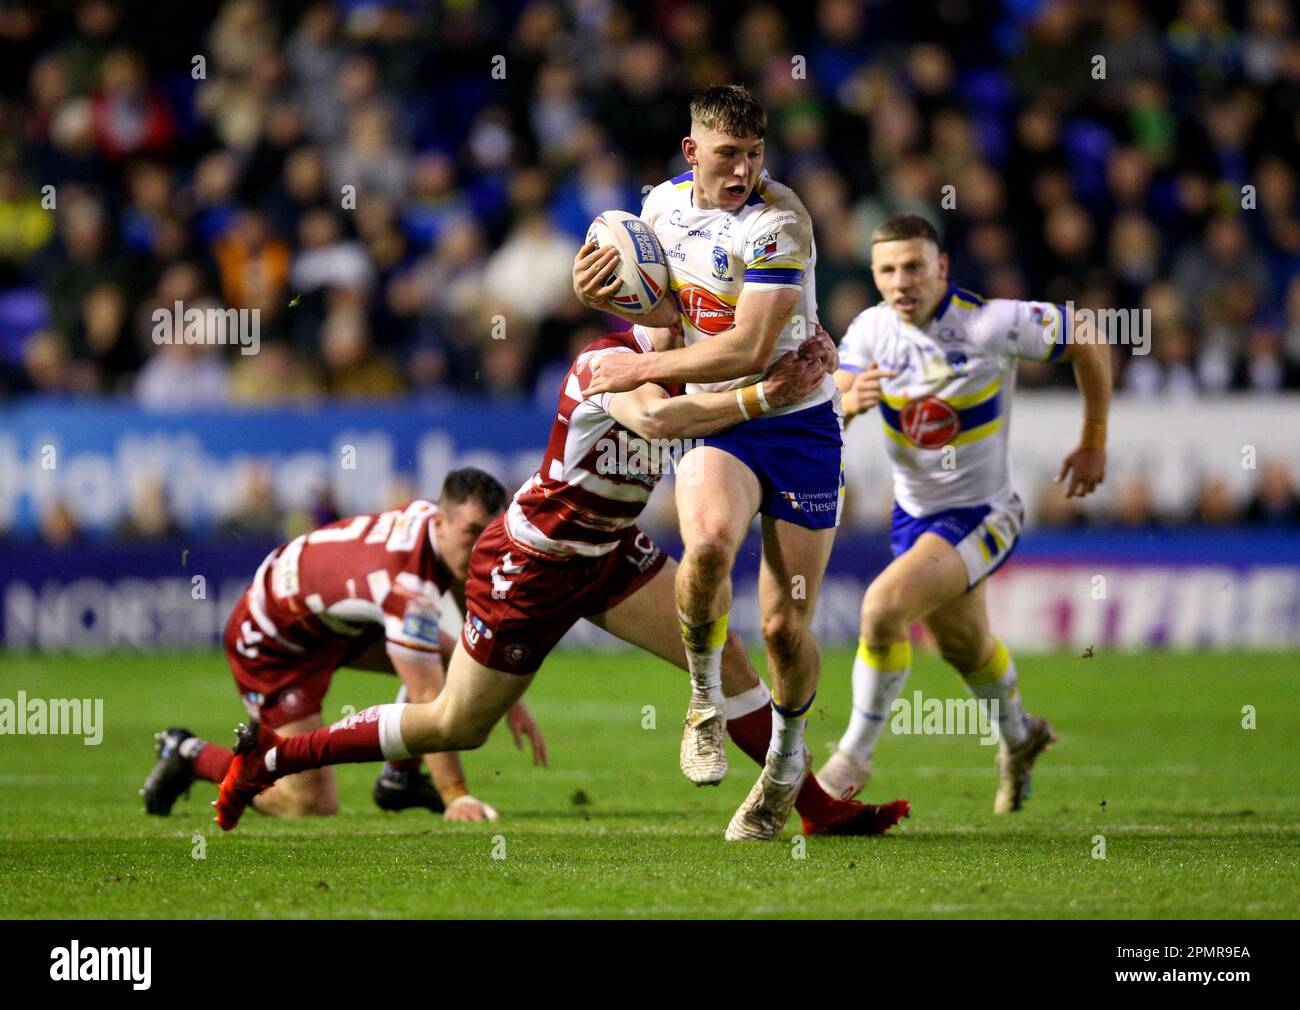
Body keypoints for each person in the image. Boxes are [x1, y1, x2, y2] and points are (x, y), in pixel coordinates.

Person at [213, 322, 908, 840]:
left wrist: (826, 389)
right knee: (457, 723)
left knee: (722, 654)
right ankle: (272, 758)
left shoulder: (702, 361)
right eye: (678, 289)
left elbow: (750, 418)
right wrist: (766, 392)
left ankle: (818, 810)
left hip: (607, 552)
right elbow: (662, 418)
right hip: (532, 564)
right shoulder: (605, 361)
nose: (697, 302)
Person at [578, 84, 842, 840]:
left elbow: (754, 349)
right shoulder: (659, 209)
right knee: (707, 548)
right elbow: (667, 316)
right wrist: (602, 297)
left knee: (786, 627)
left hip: (797, 422)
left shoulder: (779, 222)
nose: (744, 170)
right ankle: (704, 700)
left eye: (755, 154)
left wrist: (631, 369)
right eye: (729, 154)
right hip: (721, 422)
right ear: (693, 151)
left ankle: (785, 765)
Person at [817, 212, 1112, 813]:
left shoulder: (992, 323)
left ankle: (852, 758)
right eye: (888, 270)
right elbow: (830, 404)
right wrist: (847, 404)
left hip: (981, 514)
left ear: (942, 268)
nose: (902, 281)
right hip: (914, 518)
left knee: (881, 609)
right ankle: (1021, 736)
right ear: (874, 275)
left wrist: (1093, 441)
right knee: (965, 649)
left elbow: (1087, 334)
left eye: (914, 267)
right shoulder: (871, 330)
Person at [142, 469, 545, 823]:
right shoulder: (406, 585)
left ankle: (400, 780)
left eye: (487, 534)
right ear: (441, 522)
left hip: (329, 622)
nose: (480, 548)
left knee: (444, 657)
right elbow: (427, 696)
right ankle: (189, 753)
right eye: (472, 534)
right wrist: (456, 796)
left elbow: (469, 612)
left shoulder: (430, 523)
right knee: (309, 803)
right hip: (274, 640)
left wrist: (502, 693)